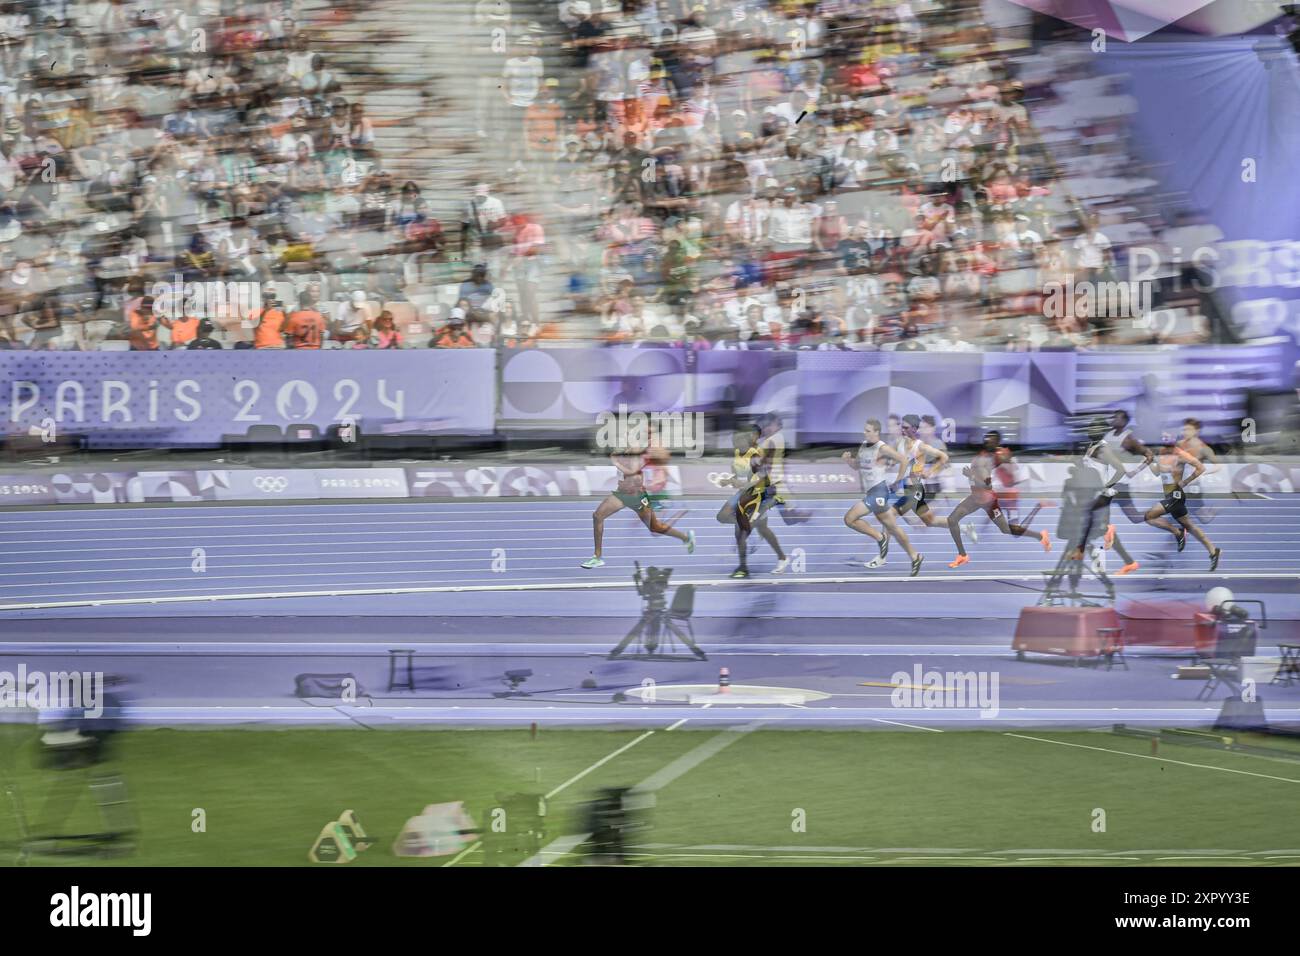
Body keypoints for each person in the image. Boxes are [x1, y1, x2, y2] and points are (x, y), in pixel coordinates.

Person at [945, 431, 1050, 568]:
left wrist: (971, 475)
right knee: (952, 520)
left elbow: (987, 485)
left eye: (991, 440)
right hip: (975, 498)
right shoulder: (985, 455)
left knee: (1007, 529)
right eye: (986, 439)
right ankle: (962, 556)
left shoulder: (993, 458)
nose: (987, 441)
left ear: (997, 443)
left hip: (988, 501)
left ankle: (1041, 536)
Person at [580, 446, 695, 569]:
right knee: (597, 516)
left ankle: (686, 538)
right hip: (622, 495)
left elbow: (632, 471)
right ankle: (597, 557)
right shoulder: (625, 452)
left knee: (655, 529)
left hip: (637, 497)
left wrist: (616, 462)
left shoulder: (639, 457)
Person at [842, 418, 924, 576]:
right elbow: (857, 466)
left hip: (878, 492)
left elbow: (904, 460)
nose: (865, 433)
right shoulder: (863, 446)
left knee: (849, 518)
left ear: (876, 432)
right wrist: (848, 461)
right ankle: (915, 556)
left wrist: (899, 479)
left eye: (868, 430)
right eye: (864, 430)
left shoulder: (882, 447)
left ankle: (880, 538)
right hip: (871, 492)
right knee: (893, 528)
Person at [716, 426, 788, 578]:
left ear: (747, 439)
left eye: (741, 439)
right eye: (734, 440)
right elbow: (737, 475)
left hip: (760, 494)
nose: (737, 443)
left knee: (741, 534)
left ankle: (743, 568)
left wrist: (742, 485)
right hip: (745, 492)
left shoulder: (756, 455)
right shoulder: (737, 453)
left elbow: (761, 479)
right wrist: (728, 481)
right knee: (723, 517)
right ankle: (781, 556)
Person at [1145, 439, 1221, 570]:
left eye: (1169, 445)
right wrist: (1150, 462)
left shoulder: (1181, 455)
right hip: (1170, 495)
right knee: (1190, 526)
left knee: (1149, 516)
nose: (1165, 448)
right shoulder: (1162, 453)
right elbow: (1157, 472)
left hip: (1175, 496)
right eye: (1164, 445)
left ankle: (1178, 533)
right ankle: (1213, 550)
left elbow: (1201, 468)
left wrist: (1185, 482)